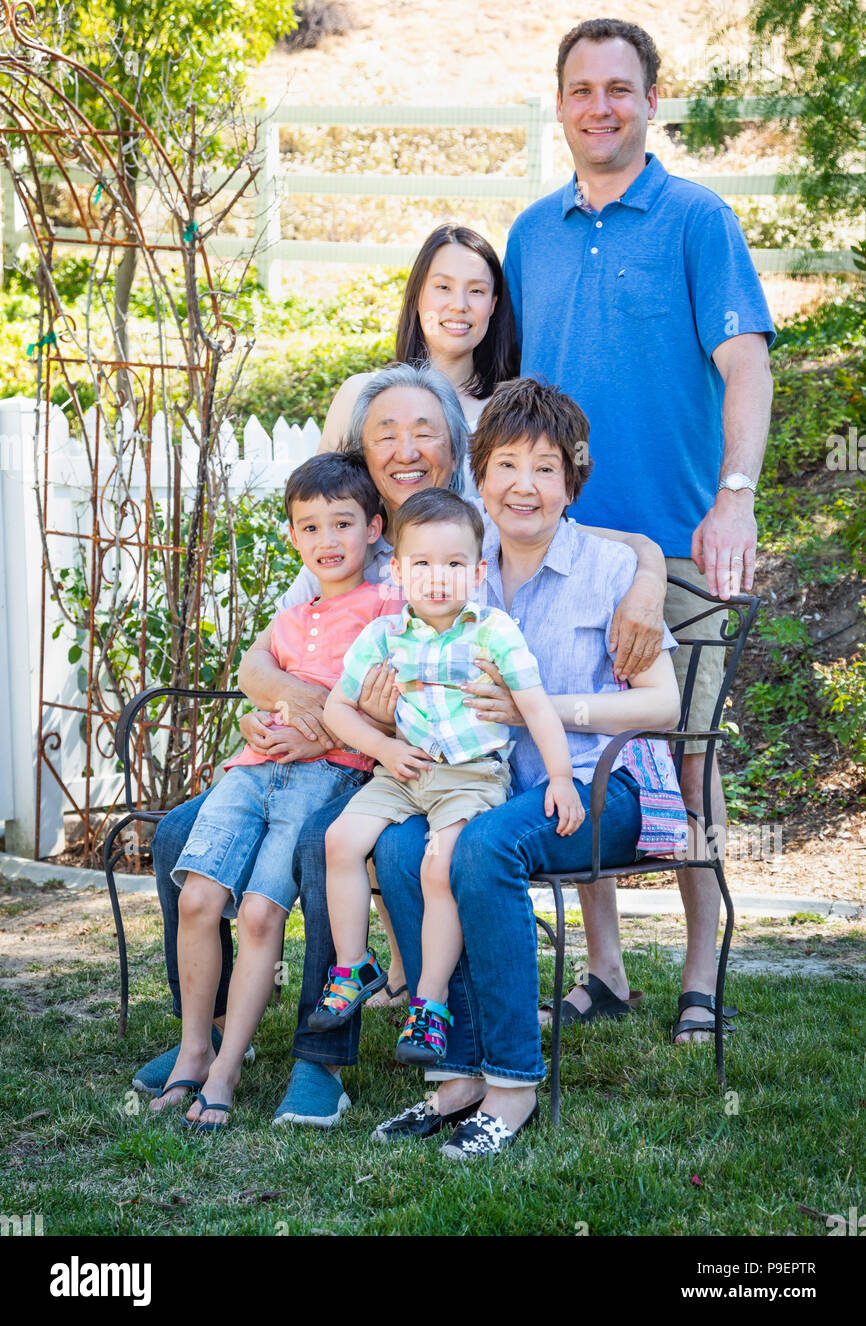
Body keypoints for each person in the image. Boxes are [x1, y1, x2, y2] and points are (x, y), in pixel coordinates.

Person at [133, 364, 667, 1121]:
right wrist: (290, 701)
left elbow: (602, 542)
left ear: (455, 451)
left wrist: (647, 572)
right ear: (365, 451)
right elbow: (266, 654)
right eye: (387, 434)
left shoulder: (468, 541)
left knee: (331, 843)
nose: (406, 448)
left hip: (405, 768)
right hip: (340, 756)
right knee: (179, 838)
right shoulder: (352, 534)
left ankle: (325, 1056)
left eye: (425, 432)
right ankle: (217, 1033)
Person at [293, 378, 683, 1155]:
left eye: (545, 469)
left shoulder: (609, 570)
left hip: (602, 786)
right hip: (490, 788)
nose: (524, 486)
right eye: (506, 466)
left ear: (573, 481)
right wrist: (376, 708)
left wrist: (549, 710)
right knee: (403, 846)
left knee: (485, 848)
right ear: (480, 473)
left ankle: (511, 1085)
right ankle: (457, 1074)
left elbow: (663, 707)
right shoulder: (459, 566)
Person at [503, 18, 775, 1042]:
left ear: (649, 100)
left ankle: (702, 970)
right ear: (560, 103)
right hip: (564, 551)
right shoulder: (531, 233)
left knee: (688, 756)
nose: (599, 107)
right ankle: (607, 968)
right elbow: (516, 397)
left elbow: (744, 362)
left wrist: (735, 491)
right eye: (580, 90)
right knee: (564, 743)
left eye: (618, 88)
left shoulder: (697, 220)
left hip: (676, 545)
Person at [148, 453, 390, 1127]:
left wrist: (323, 736)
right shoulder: (291, 615)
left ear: (375, 528)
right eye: (310, 528)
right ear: (293, 537)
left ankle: (227, 1073)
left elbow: (393, 703)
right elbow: (260, 678)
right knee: (199, 895)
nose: (328, 541)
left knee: (259, 914)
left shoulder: (389, 611)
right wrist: (254, 716)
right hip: (250, 772)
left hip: (326, 777)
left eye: (343, 524)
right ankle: (197, 1050)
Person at [309, 488, 580, 1068]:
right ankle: (354, 966)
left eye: (454, 564)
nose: (439, 579)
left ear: (478, 572)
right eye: (424, 565)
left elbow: (534, 705)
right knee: (339, 841)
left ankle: (429, 1004)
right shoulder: (385, 635)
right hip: (405, 767)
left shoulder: (492, 631)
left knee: (438, 866)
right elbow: (336, 710)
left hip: (470, 777)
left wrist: (560, 776)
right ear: (400, 572)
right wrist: (383, 746)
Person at [318, 223, 518, 489]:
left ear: (493, 304)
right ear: (418, 294)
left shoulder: (510, 412)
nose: (459, 305)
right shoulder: (358, 395)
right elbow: (322, 509)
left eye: (476, 291)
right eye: (443, 287)